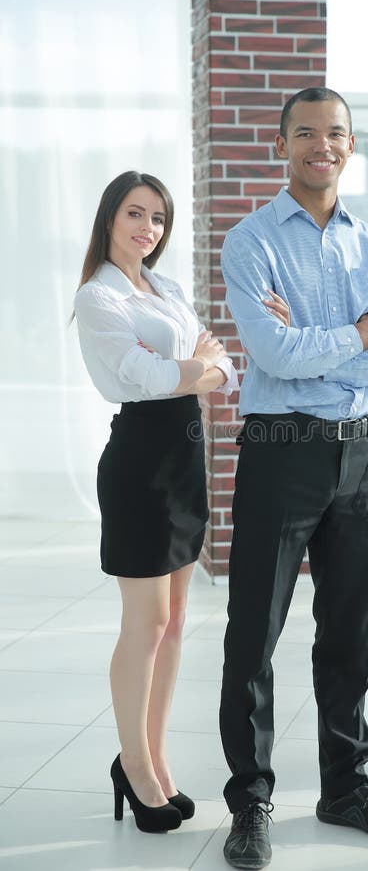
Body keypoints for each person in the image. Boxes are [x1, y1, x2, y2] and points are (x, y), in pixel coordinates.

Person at [217, 87, 368, 871]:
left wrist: (321, 345)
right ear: (282, 144)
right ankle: (251, 802)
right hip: (282, 451)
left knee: (346, 631)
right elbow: (273, 357)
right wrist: (361, 332)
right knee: (254, 635)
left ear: (350, 144)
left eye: (335, 133)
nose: (322, 145)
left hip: (365, 454)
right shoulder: (251, 242)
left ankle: (345, 785)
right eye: (306, 133)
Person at [73, 170, 238, 833]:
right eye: (136, 214)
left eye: (159, 219)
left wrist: (196, 368)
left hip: (185, 459)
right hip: (140, 464)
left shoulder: (165, 288)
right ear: (110, 217)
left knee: (172, 625)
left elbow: (222, 365)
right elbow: (147, 378)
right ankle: (133, 765)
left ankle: (157, 757)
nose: (148, 229)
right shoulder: (97, 297)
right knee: (143, 625)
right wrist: (194, 368)